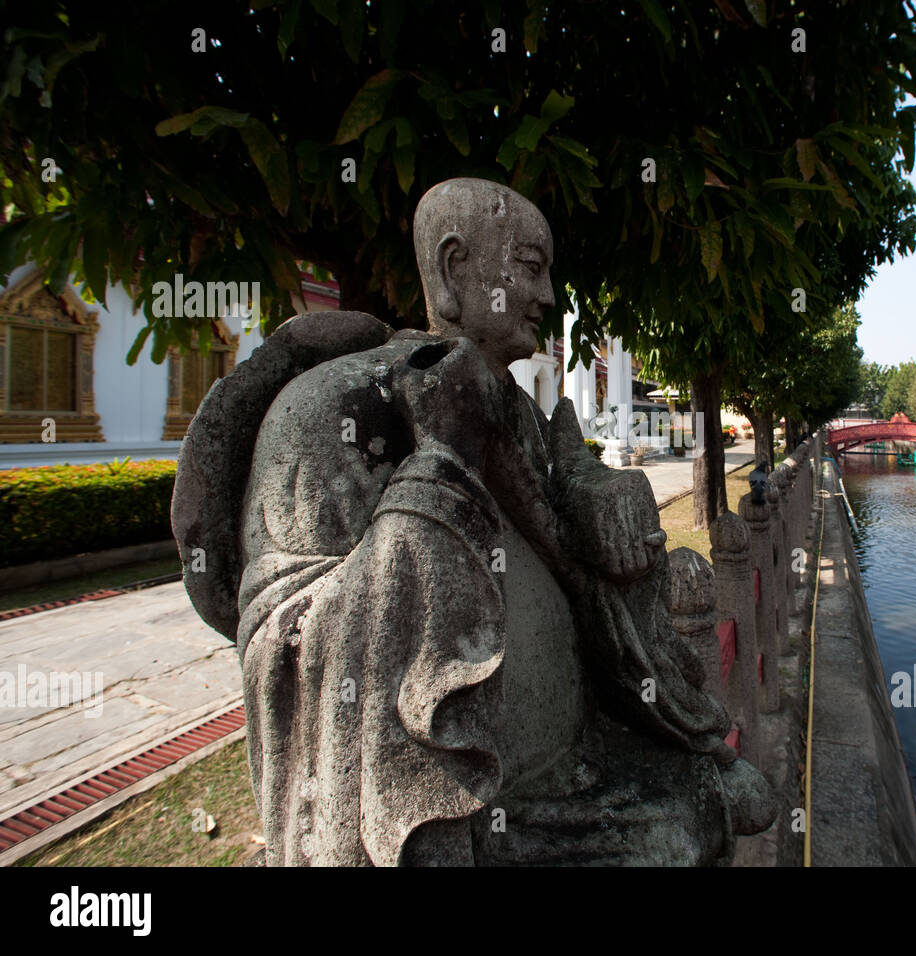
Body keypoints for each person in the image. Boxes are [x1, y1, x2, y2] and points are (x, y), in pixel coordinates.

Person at [180, 178, 774, 866]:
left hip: (572, 764)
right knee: (683, 833)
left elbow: (582, 588)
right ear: (453, 267)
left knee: (741, 795)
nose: (548, 297)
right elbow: (287, 645)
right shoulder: (338, 410)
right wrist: (439, 469)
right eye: (529, 267)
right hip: (455, 809)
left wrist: (599, 512)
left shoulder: (520, 415)